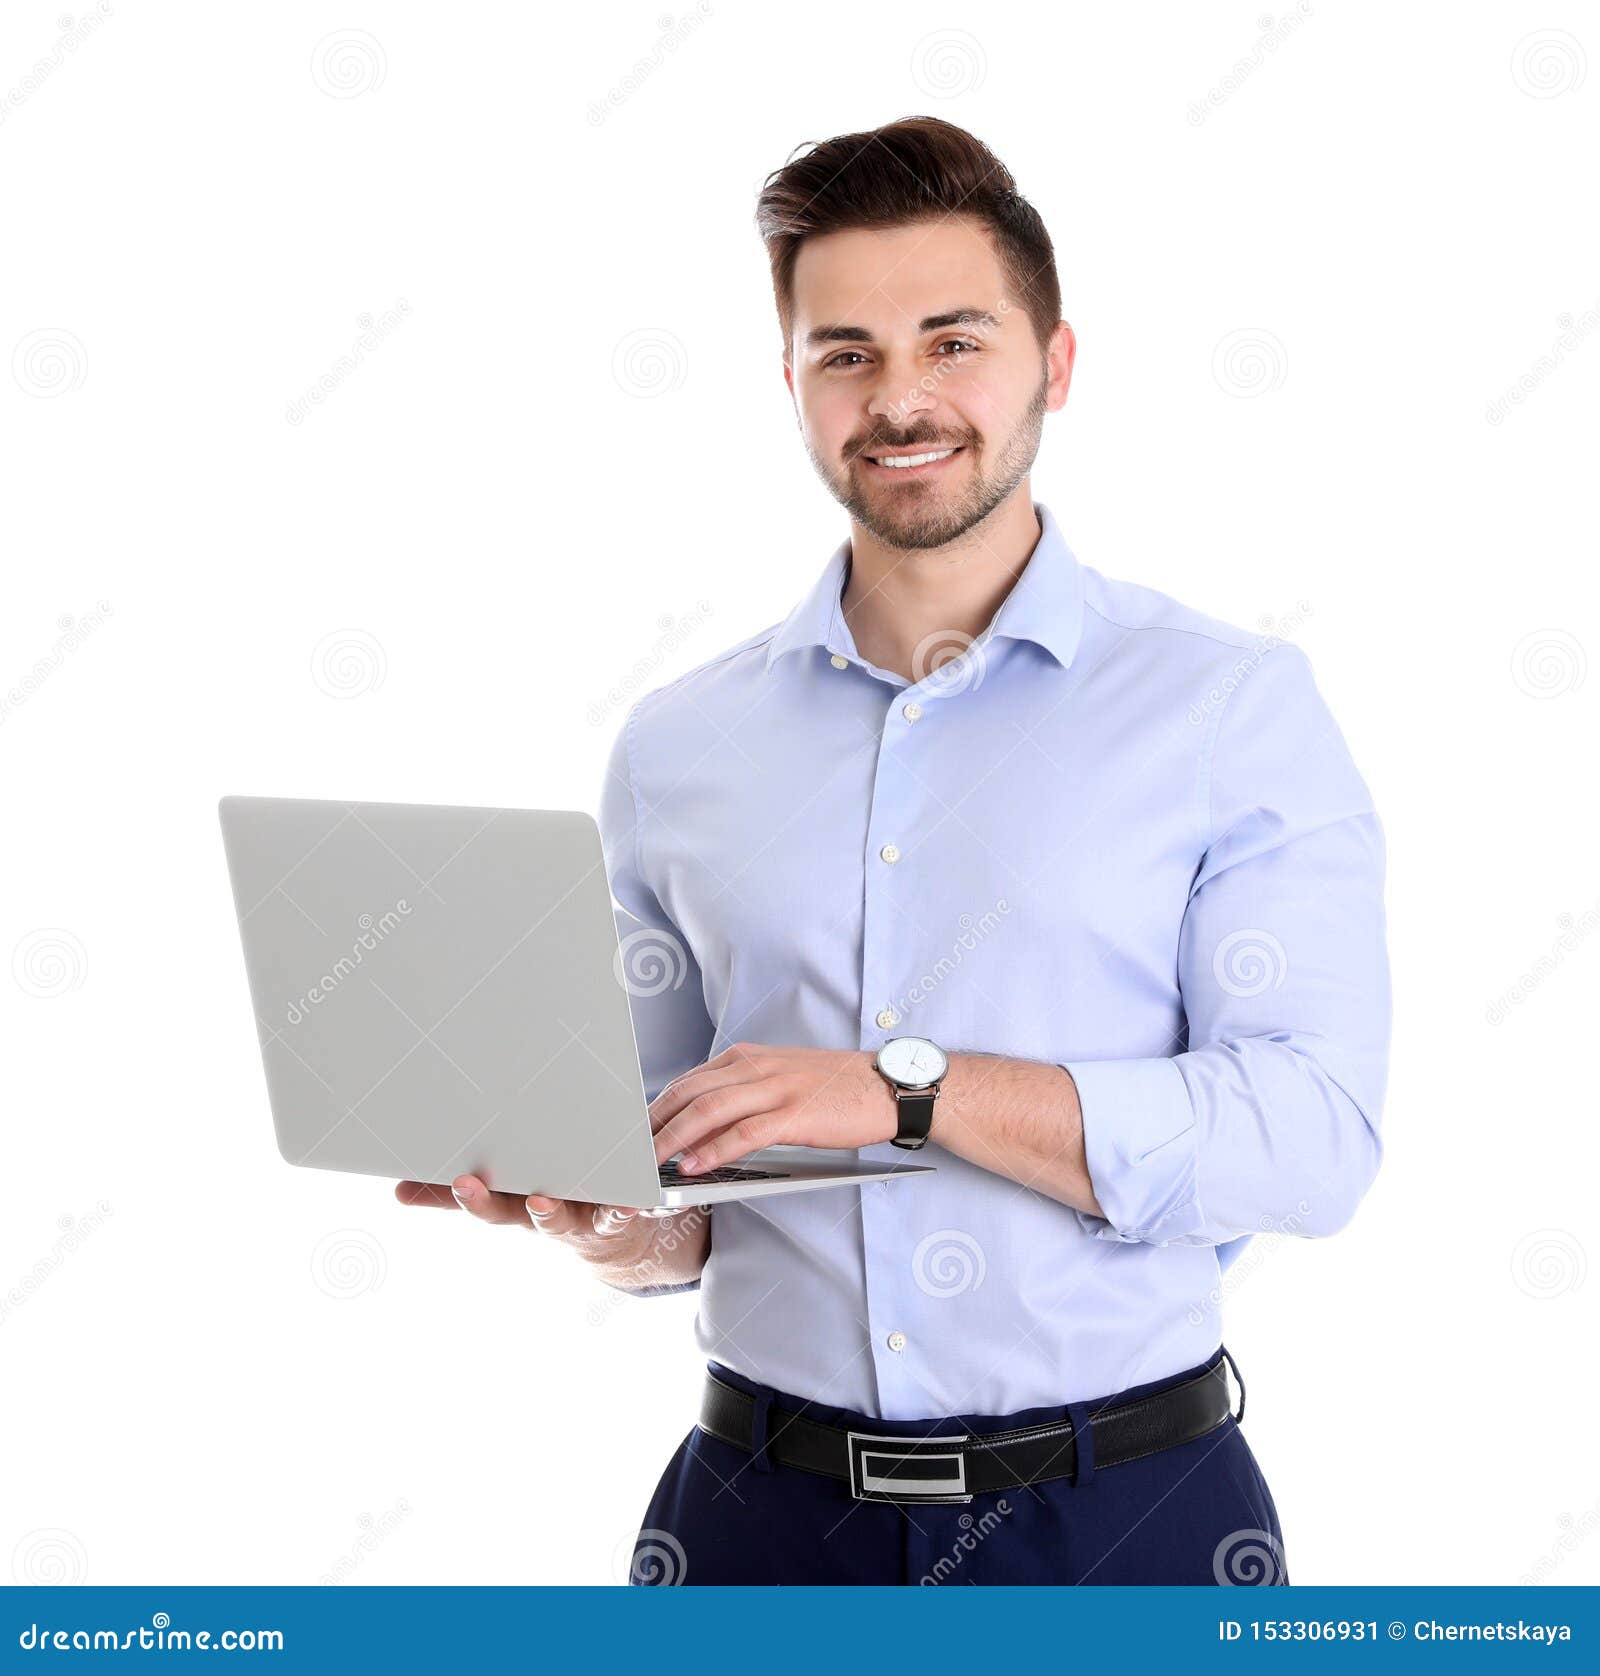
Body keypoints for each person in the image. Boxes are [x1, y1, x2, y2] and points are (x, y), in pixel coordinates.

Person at [396, 116, 1390, 1587]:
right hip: (755, 1520)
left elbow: (1312, 1139)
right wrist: (609, 1222)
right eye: (846, 351)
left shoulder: (1227, 708)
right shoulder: (680, 745)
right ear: (790, 384)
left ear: (1055, 363)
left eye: (953, 341)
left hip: (1122, 1521)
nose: (900, 396)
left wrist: (903, 1096)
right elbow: (681, 1177)